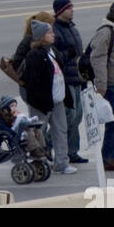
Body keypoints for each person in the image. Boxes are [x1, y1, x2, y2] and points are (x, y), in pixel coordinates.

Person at [20, 19, 76, 175]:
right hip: (42, 102)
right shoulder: (34, 55)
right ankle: (35, 161)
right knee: (37, 132)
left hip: (58, 100)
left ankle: (62, 163)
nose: (53, 34)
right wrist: (39, 100)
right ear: (41, 37)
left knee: (61, 130)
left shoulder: (53, 51)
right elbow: (32, 81)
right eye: (49, 32)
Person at [89, 0, 114, 173]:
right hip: (112, 85)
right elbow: (98, 59)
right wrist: (101, 86)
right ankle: (111, 157)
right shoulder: (106, 32)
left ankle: (113, 155)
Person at [52, 0, 88, 164]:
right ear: (60, 11)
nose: (72, 10)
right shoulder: (55, 30)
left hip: (77, 79)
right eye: (69, 8)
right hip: (65, 80)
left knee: (77, 116)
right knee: (68, 117)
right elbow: (55, 58)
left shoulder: (73, 29)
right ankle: (47, 143)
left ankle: (73, 151)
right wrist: (69, 53)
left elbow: (79, 55)